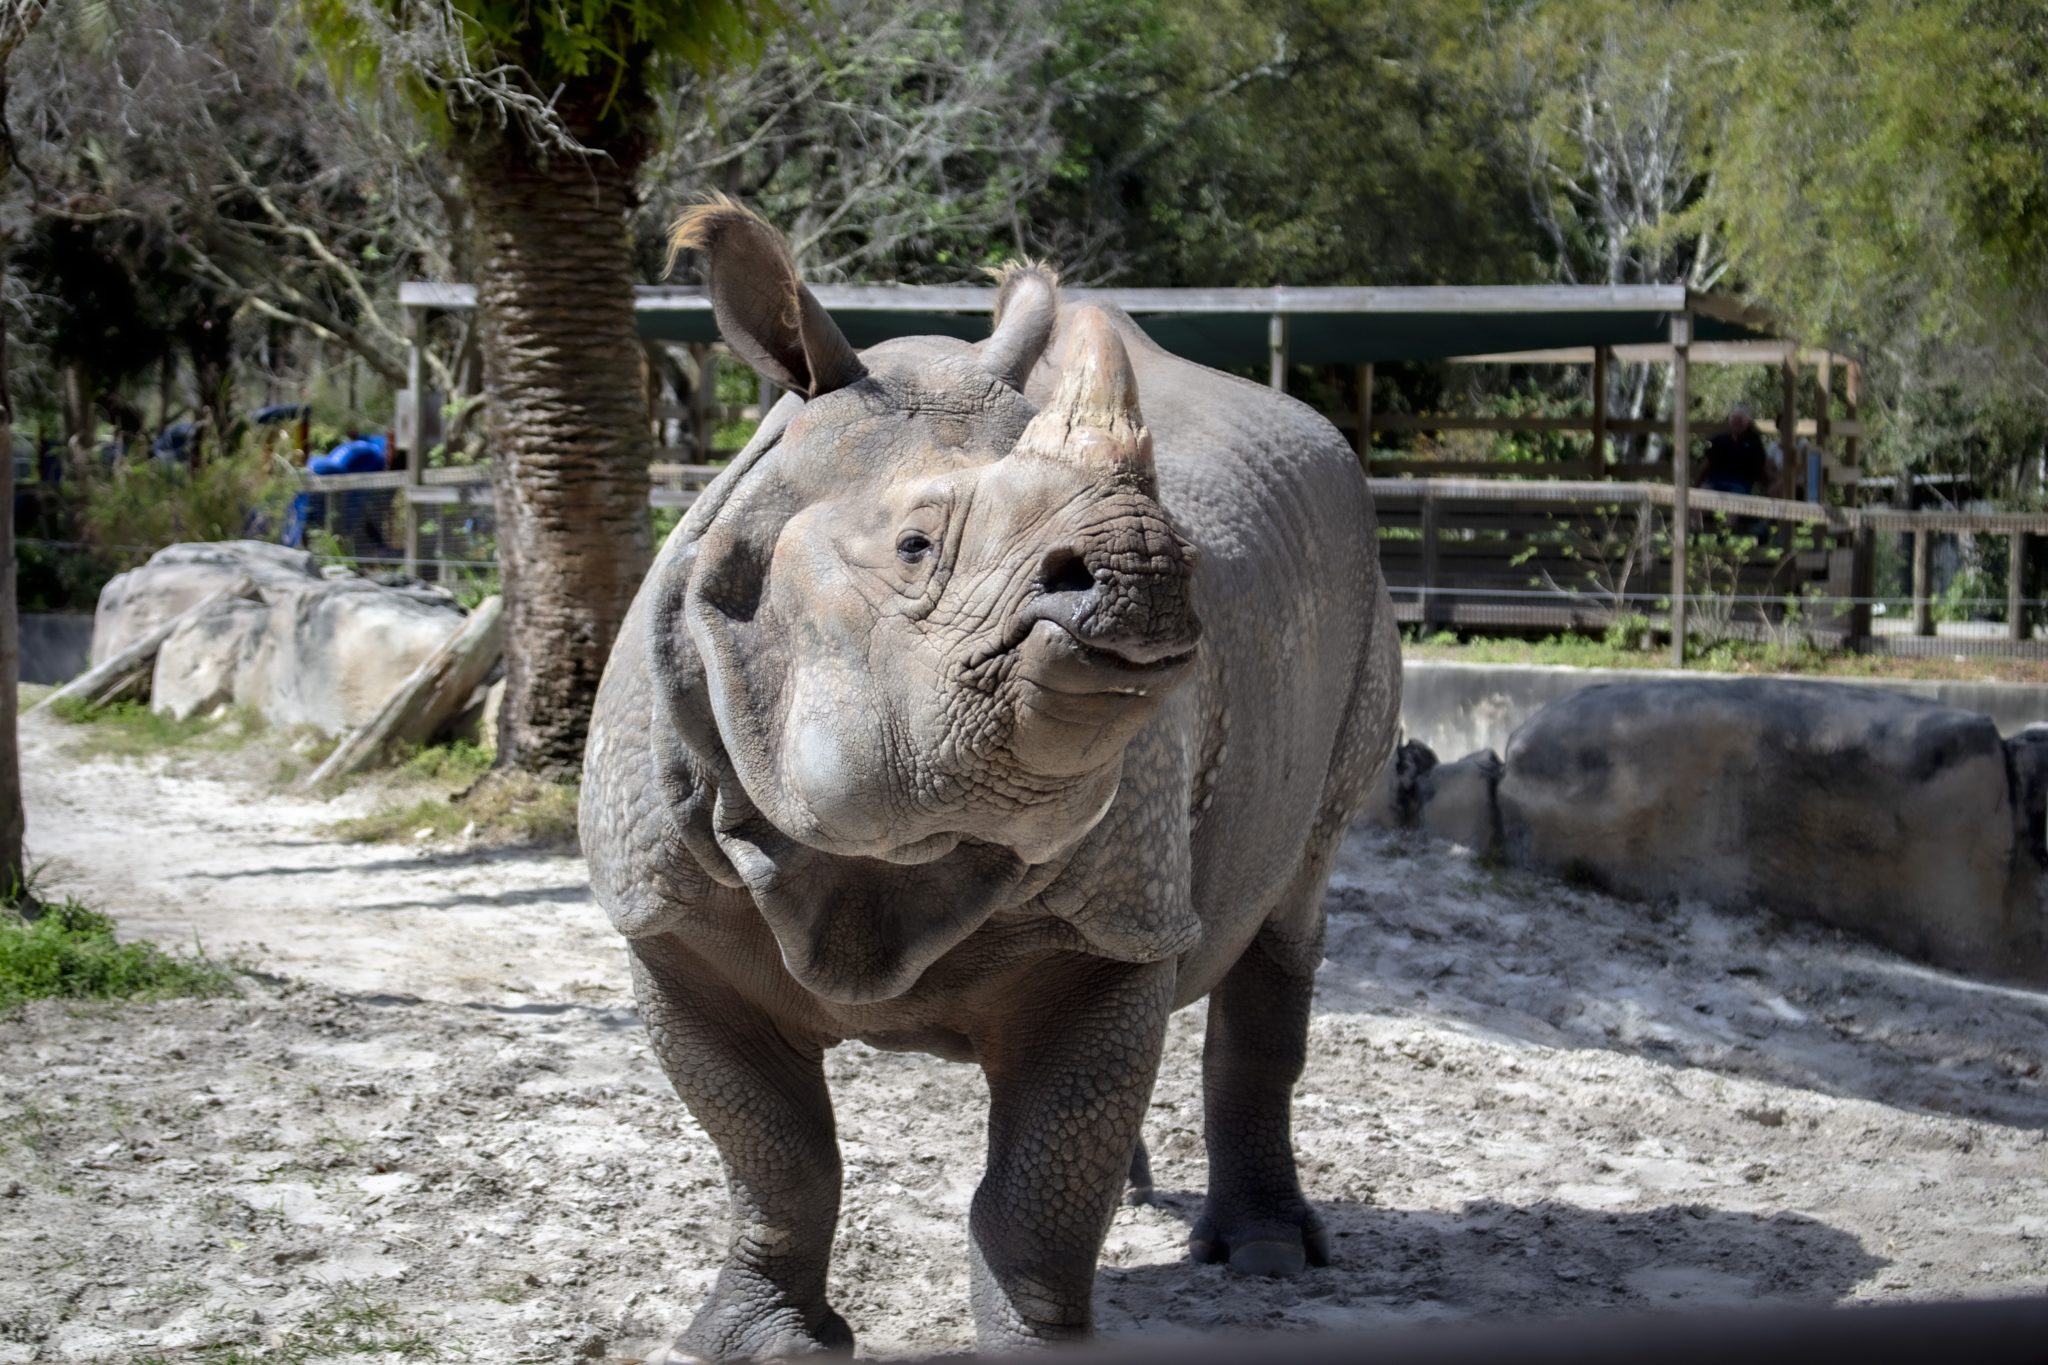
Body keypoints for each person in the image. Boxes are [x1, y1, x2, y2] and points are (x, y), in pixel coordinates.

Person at [1697, 403, 1767, 495]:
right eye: (1734, 419)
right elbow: (1706, 464)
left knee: (1736, 497)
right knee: (1700, 495)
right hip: (1715, 482)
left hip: (1739, 484)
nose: (1736, 422)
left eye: (1740, 420)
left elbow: (1760, 468)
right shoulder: (1719, 441)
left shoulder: (1754, 443)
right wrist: (1696, 486)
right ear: (1730, 420)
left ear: (1747, 422)